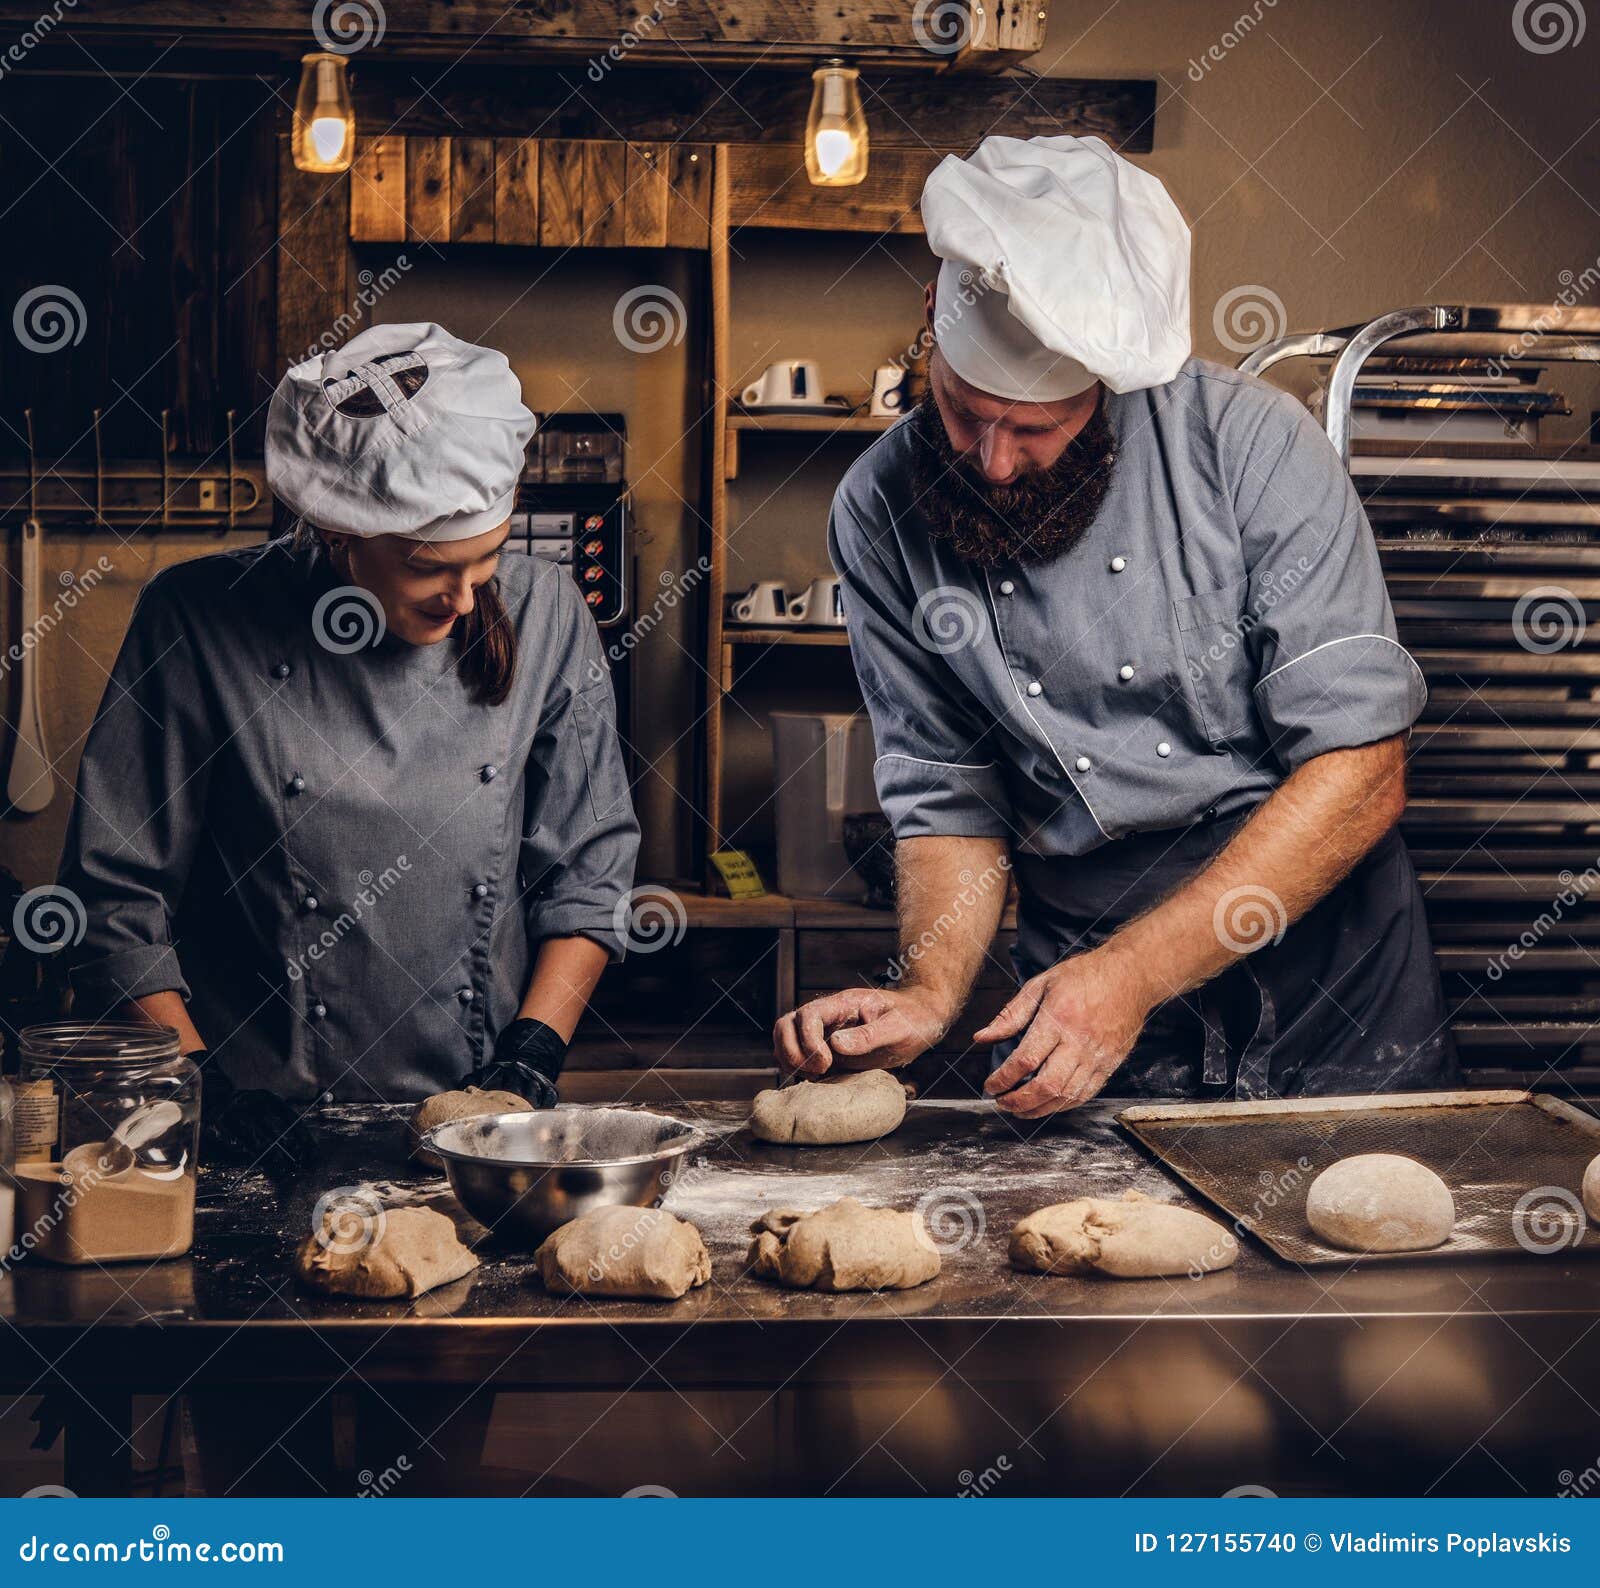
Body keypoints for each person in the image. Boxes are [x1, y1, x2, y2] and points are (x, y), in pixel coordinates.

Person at [55, 322, 640, 1492]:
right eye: (435, 571)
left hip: (460, 1141)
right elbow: (119, 897)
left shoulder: (545, 615)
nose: (472, 595)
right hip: (248, 1138)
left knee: (425, 1481)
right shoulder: (196, 619)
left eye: (483, 561)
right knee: (261, 1477)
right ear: (337, 532)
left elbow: (588, 868)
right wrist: (198, 1091)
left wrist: (529, 1058)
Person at [773, 135, 1454, 1115]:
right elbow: (950, 797)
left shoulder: (1253, 446)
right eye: (966, 416)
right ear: (932, 322)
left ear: (1104, 387)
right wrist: (928, 989)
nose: (996, 464)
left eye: (1036, 432)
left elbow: (1358, 775)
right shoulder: (877, 510)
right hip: (1083, 986)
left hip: (1328, 981)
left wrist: (1131, 976)